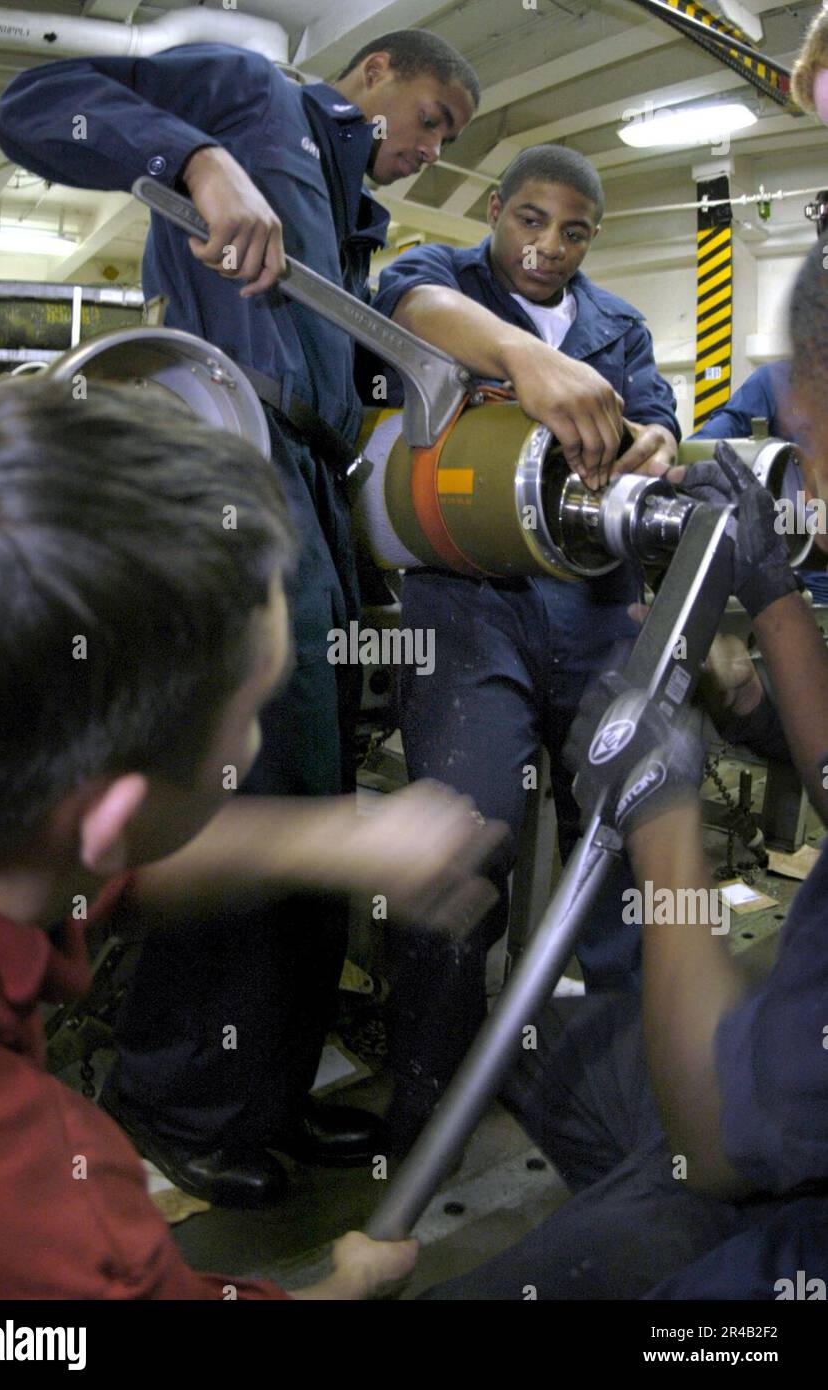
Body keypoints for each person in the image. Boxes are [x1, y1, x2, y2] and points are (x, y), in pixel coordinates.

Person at [0, 30, 482, 1206]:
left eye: (442, 143)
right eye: (425, 119)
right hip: (229, 466)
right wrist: (202, 158)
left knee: (313, 788)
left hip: (310, 484)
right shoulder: (247, 89)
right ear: (370, 70)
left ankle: (261, 1095)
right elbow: (35, 100)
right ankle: (178, 1101)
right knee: (246, 787)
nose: (420, 152)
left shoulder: (344, 216)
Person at [0, 377, 507, 1298]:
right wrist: (347, 1287)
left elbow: (99, 872)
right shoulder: (31, 1208)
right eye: (250, 716)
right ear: (114, 816)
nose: (257, 743)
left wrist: (333, 842)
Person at [422, 236, 828, 1299]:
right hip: (774, 1117)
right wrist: (777, 603)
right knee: (536, 1025)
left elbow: (716, 1144)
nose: (797, 451)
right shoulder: (450, 280)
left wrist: (663, 820)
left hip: (777, 1199)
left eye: (805, 418)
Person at [370, 144, 681, 1148]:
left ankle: (634, 1094)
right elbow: (407, 310)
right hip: (467, 601)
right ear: (496, 212)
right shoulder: (441, 279)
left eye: (573, 230)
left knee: (627, 842)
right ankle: (428, 1102)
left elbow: (659, 435)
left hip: (591, 607)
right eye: (529, 221)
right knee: (464, 843)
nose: (547, 248)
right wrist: (526, 359)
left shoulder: (618, 327)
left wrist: (655, 446)